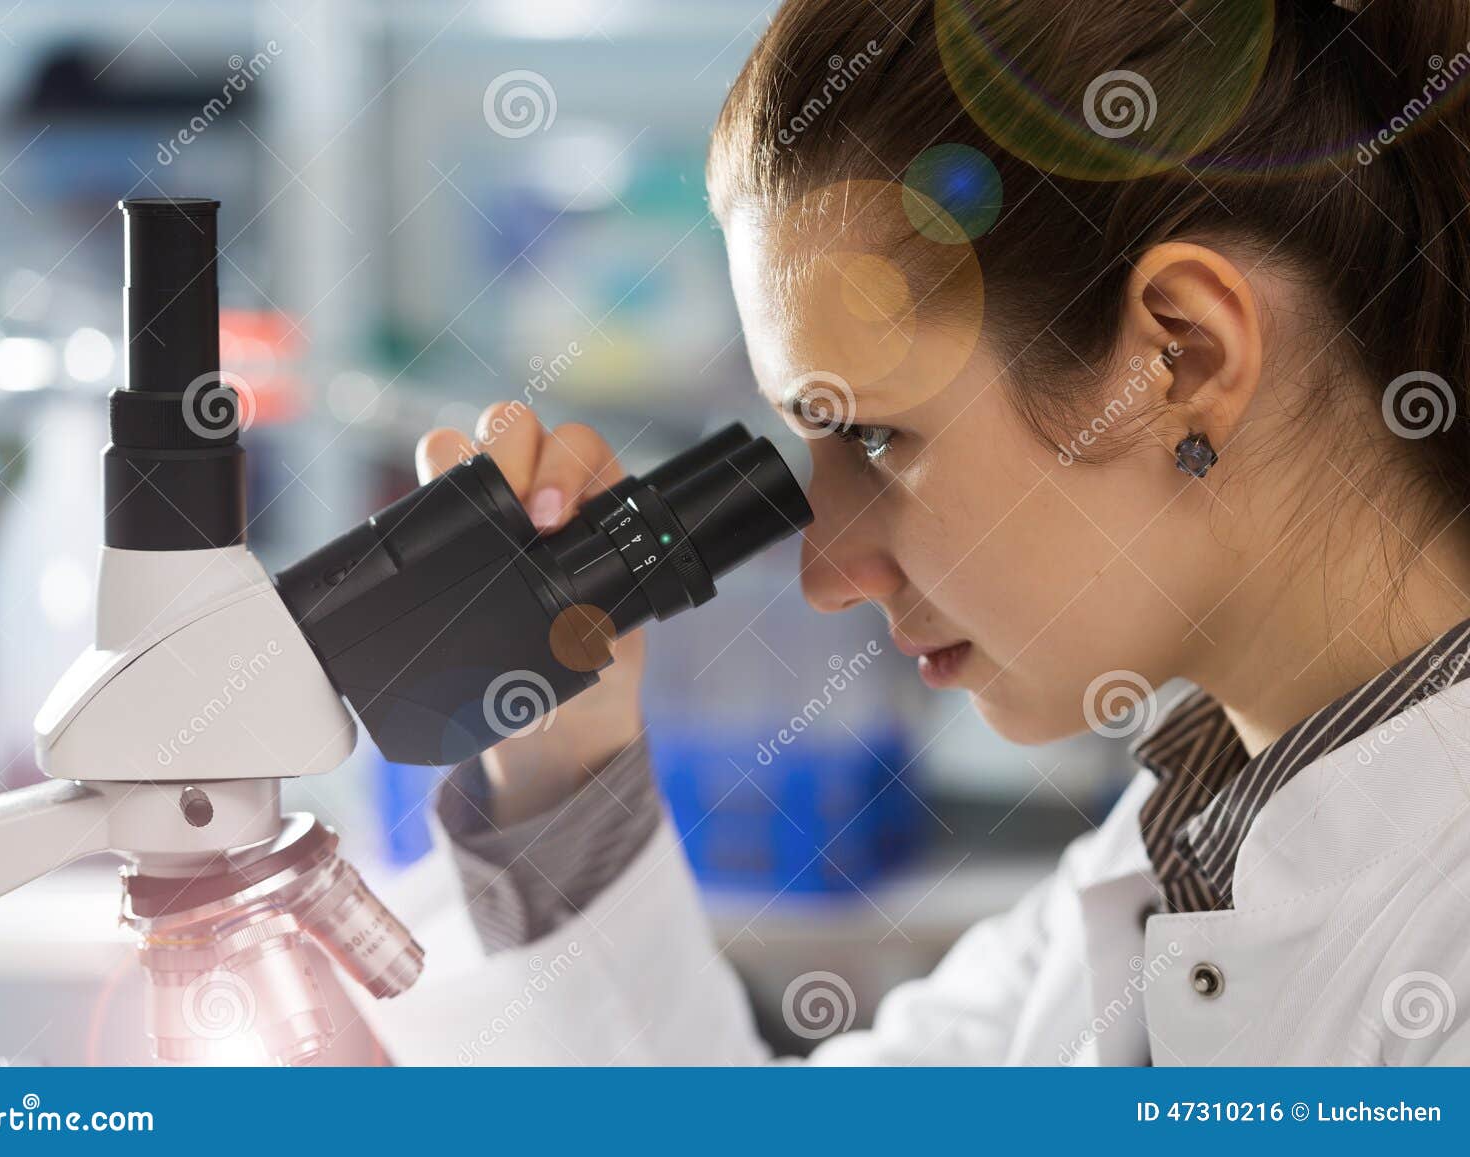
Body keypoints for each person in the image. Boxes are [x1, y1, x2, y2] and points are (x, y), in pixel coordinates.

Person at [376, 0, 1470, 1064]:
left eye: (876, 436)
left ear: (1179, 355)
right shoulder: (1175, 846)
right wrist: (563, 763)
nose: (825, 575)